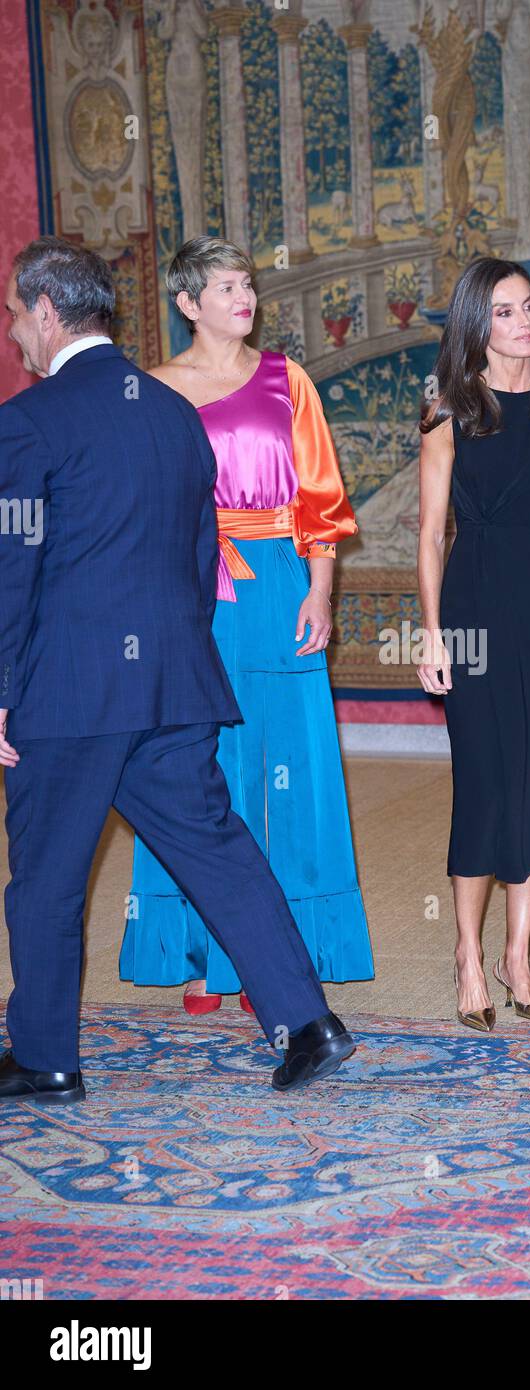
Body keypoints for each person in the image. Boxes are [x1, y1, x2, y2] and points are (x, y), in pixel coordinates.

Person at [0, 236, 354, 1103]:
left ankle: (45, 1056)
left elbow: (14, 569)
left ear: (47, 312)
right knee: (220, 851)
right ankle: (307, 1023)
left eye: (16, 313)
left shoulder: (28, 420)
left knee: (45, 879)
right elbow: (201, 557)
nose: (14, 333)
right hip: (172, 682)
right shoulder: (167, 412)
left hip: (69, 695)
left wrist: (2, 695)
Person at [118, 237, 373, 1013]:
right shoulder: (152, 390)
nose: (245, 299)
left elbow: (320, 501)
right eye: (227, 288)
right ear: (187, 304)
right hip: (188, 590)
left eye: (248, 285)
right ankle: (203, 948)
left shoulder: (286, 380)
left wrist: (320, 591)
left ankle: (278, 959)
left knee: (290, 767)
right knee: (196, 765)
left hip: (281, 585)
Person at [417, 257, 530, 1031]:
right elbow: (431, 533)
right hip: (475, 605)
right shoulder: (448, 409)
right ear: (475, 324)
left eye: (529, 307)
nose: (524, 323)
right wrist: (430, 634)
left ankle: (517, 955)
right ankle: (468, 952)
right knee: (488, 782)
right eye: (504, 312)